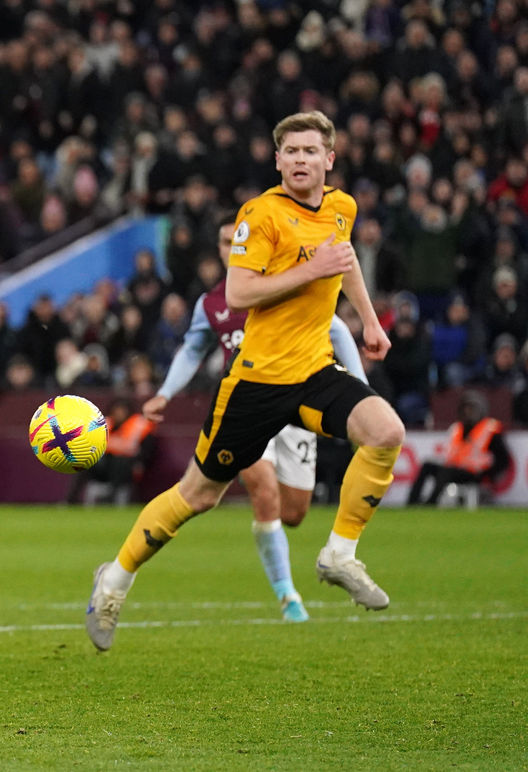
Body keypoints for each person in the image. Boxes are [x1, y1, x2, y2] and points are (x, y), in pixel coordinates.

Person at [85, 111, 405, 651]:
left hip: (313, 369)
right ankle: (114, 580)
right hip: (256, 383)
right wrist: (311, 268)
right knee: (198, 496)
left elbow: (344, 260)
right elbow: (238, 295)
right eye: (291, 152)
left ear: (330, 160)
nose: (300, 160)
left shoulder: (342, 207)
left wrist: (369, 320)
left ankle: (339, 556)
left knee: (386, 432)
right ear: (277, 161)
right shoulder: (259, 216)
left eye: (310, 151)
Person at [142, 216, 371, 623]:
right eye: (226, 241)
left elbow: (336, 331)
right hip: (246, 406)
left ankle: (278, 553)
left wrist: (362, 389)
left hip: (298, 402)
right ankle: (289, 597)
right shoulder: (212, 303)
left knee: (294, 512)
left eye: (237, 241)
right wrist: (165, 393)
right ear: (218, 249)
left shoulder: (284, 286)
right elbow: (193, 350)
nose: (232, 248)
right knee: (263, 490)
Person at [406, 391, 510, 505]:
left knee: (446, 472)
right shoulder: (457, 428)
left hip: (475, 473)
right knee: (427, 466)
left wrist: (488, 475)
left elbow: (503, 459)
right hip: (455, 467)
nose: (469, 412)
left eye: (472, 408)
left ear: (481, 410)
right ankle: (412, 502)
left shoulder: (489, 430)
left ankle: (431, 502)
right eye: (467, 408)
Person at [68, 398, 157, 506]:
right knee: (86, 461)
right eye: (116, 411)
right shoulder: (104, 424)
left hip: (127, 467)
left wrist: (140, 463)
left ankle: (111, 497)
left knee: (120, 461)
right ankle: (70, 500)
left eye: (122, 411)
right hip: (105, 466)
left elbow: (147, 449)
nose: (119, 414)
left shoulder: (138, 424)